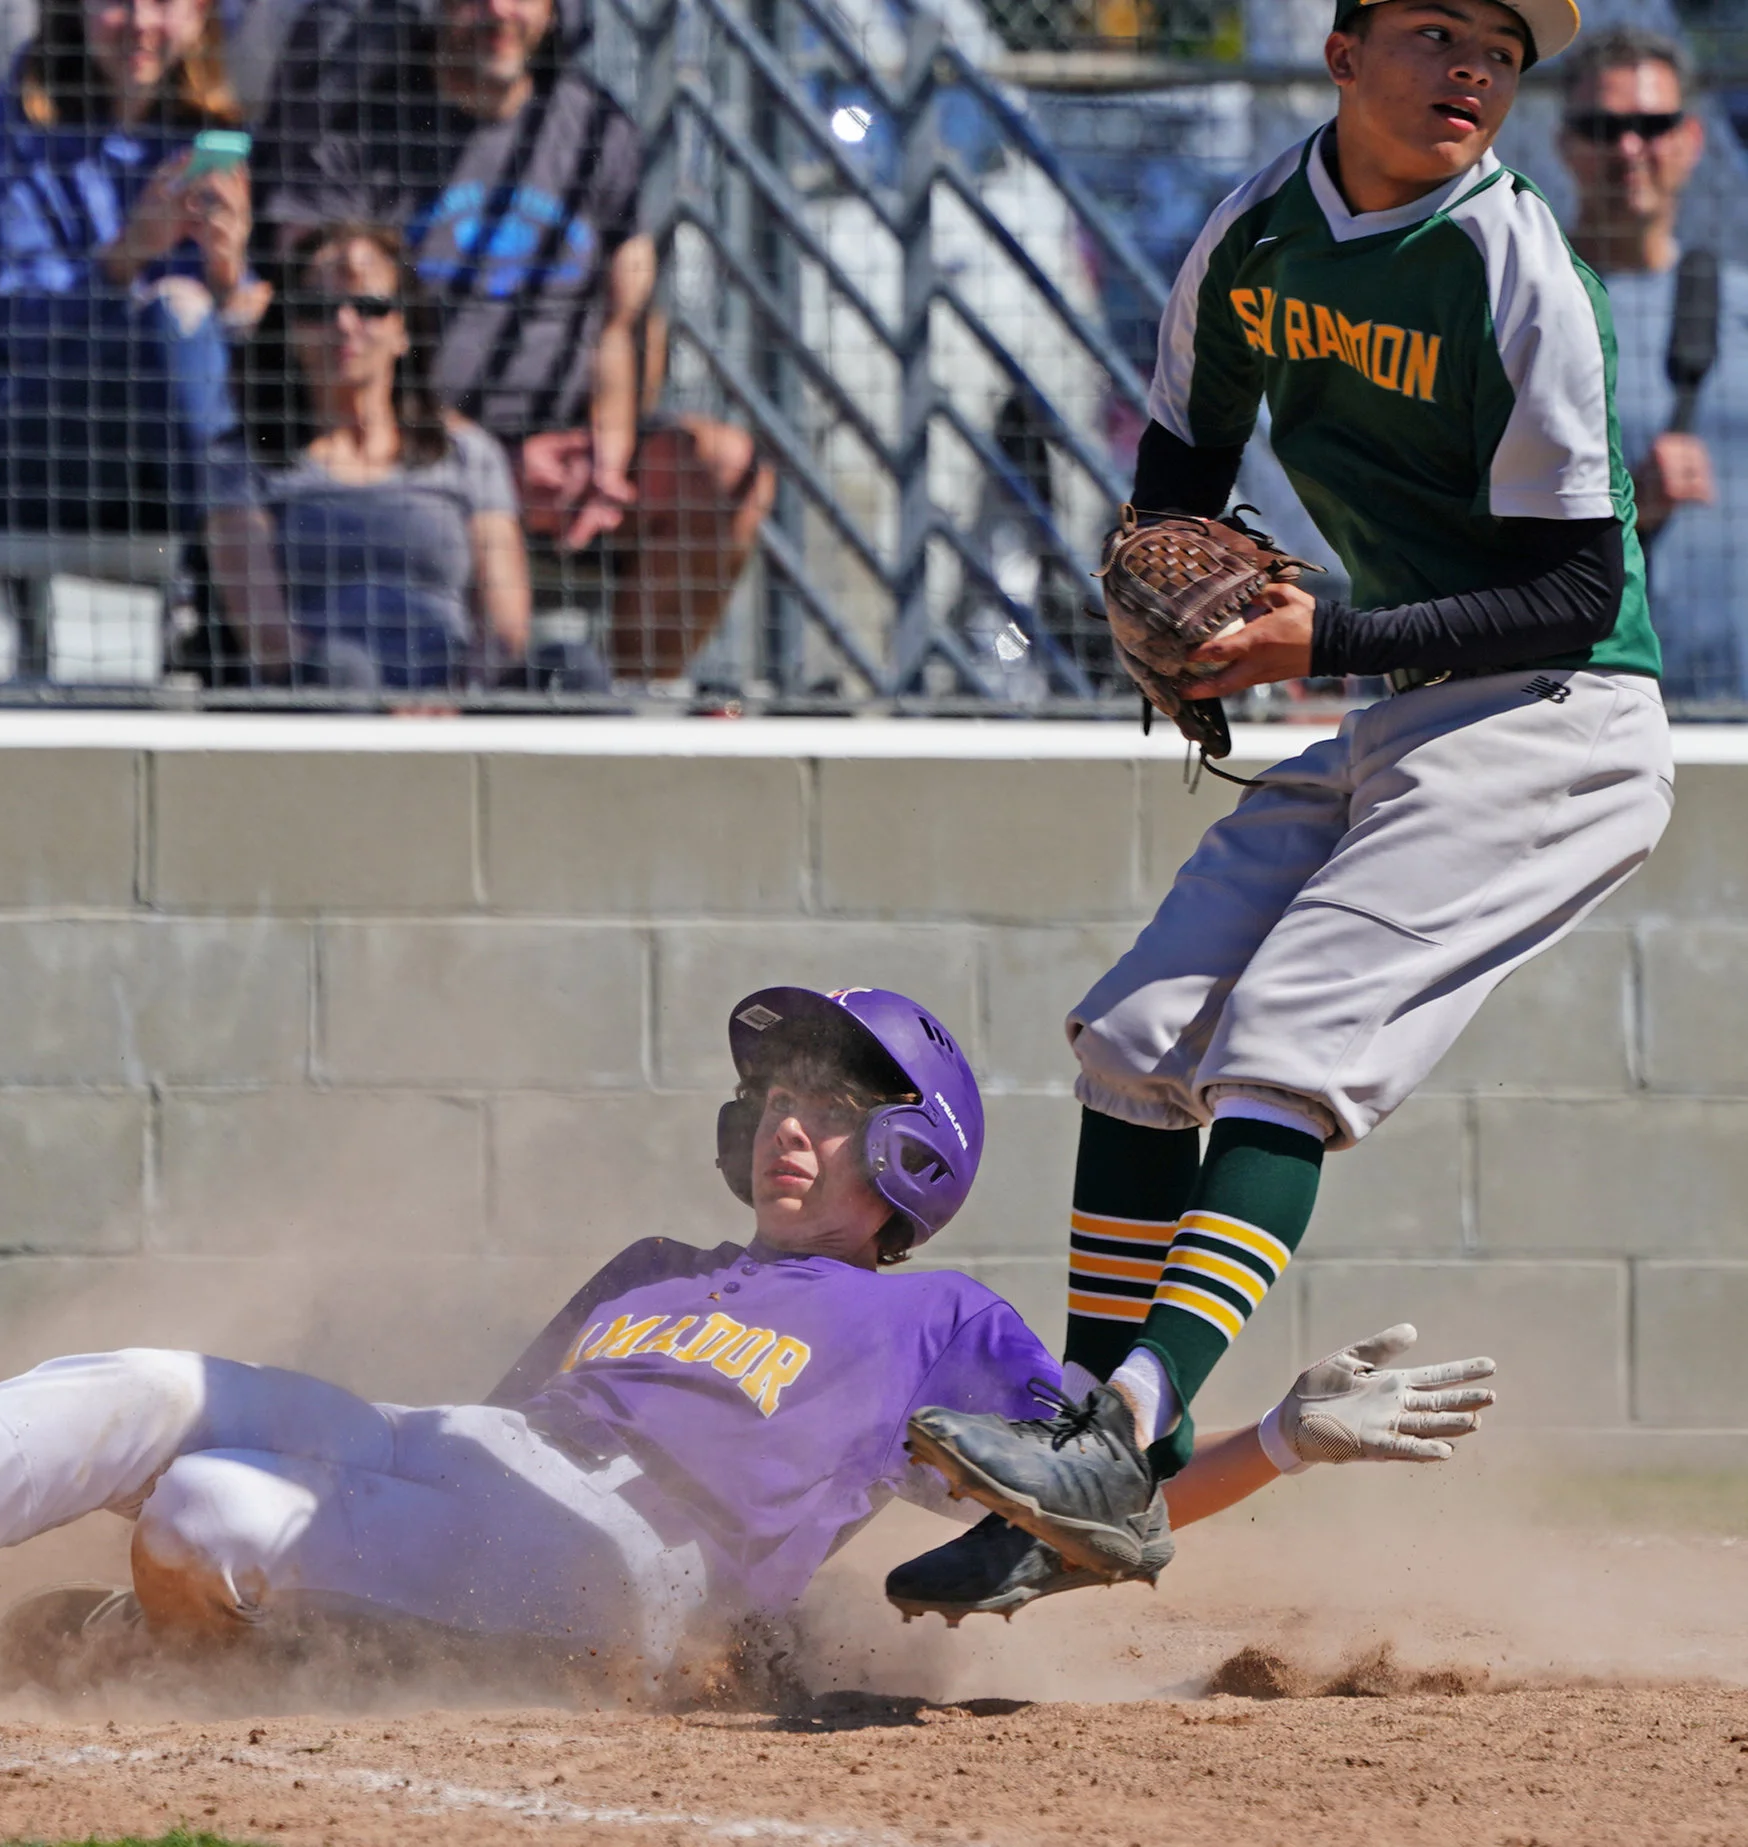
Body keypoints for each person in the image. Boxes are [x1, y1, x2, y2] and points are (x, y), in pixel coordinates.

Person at [0, 984, 1495, 1705]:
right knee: (137, 1412)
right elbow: (488, 1420)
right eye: (780, 1075)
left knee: (208, 1521)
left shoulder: (930, 1311)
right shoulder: (647, 1254)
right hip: (474, 1464)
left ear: (911, 1147)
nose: (789, 1104)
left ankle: (206, 1654)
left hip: (629, 1565)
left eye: (832, 1085)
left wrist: (1280, 1437)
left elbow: (1095, 1506)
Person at [890, 0, 1670, 1611]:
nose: (1473, 74)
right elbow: (1178, 477)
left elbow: (1585, 583)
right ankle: (1077, 1483)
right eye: (1438, 32)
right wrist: (1175, 632)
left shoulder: (1520, 268)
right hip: (1404, 713)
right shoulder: (1251, 236)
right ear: (1342, 51)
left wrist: (1331, 636)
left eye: (1505, 56)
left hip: (1563, 721)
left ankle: (1129, 1427)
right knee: (1141, 1031)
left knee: (1289, 1037)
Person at [260, 0, 774, 683]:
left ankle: (616, 702)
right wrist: (484, 458)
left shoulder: (596, 129)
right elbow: (321, 319)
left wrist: (606, 457)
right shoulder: (365, 130)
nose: (499, 11)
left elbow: (626, 319)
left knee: (725, 469)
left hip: (563, 456)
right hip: (413, 444)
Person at [211, 219, 601, 690]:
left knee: (574, 668)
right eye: (317, 308)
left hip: (456, 696)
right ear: (290, 331)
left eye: (370, 307)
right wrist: (377, 704)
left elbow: (504, 628)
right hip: (324, 695)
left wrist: (455, 701)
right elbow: (267, 636)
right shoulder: (244, 458)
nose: (344, 324)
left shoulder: (468, 454)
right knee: (341, 670)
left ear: (404, 330)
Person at [0, 0, 262, 552]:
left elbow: (240, 333)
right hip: (30, 450)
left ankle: (231, 584)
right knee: (173, 312)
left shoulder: (211, 132)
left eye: (163, 3)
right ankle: (231, 591)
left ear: (199, 14)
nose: (140, 23)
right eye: (118, 1)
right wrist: (127, 256)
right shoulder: (2, 126)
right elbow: (20, 328)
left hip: (172, 453)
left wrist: (230, 280)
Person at [1554, 25, 1748, 701]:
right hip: (1584, 697)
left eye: (1653, 123)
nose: (1629, 148)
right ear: (1566, 144)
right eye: (1603, 126)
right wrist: (1629, 505)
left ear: (1691, 141)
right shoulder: (1521, 309)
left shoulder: (1738, 305)